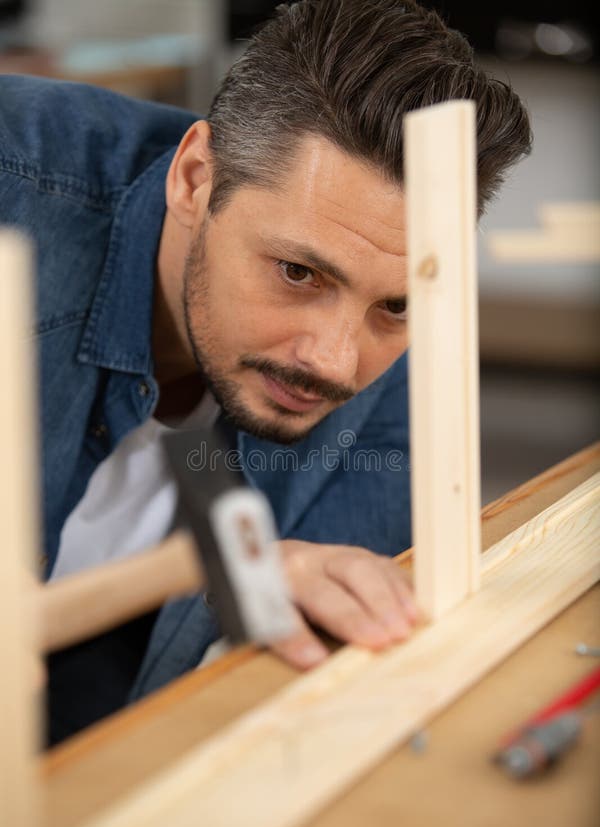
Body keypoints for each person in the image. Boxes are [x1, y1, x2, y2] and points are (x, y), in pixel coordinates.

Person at [0, 0, 531, 743]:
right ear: (194, 179)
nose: (336, 361)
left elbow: (315, 652)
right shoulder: (17, 197)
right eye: (298, 273)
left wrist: (258, 579)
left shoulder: (398, 349)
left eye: (396, 304)